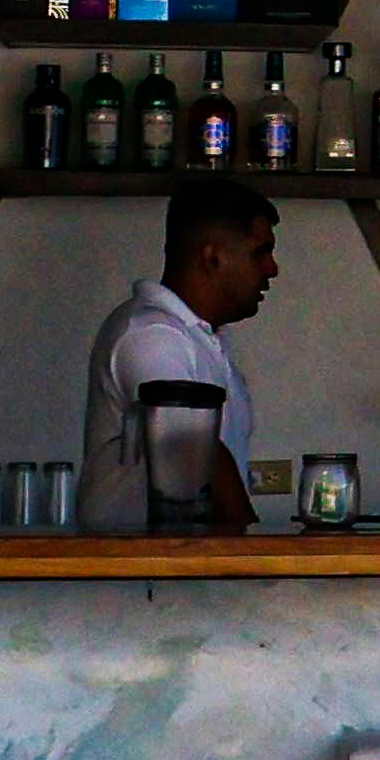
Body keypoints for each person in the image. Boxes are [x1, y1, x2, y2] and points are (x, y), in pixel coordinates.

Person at [77, 176, 275, 533]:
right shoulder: (152, 335)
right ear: (213, 256)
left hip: (179, 569)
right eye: (260, 252)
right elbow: (195, 446)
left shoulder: (200, 337)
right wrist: (260, 561)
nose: (272, 268)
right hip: (141, 574)